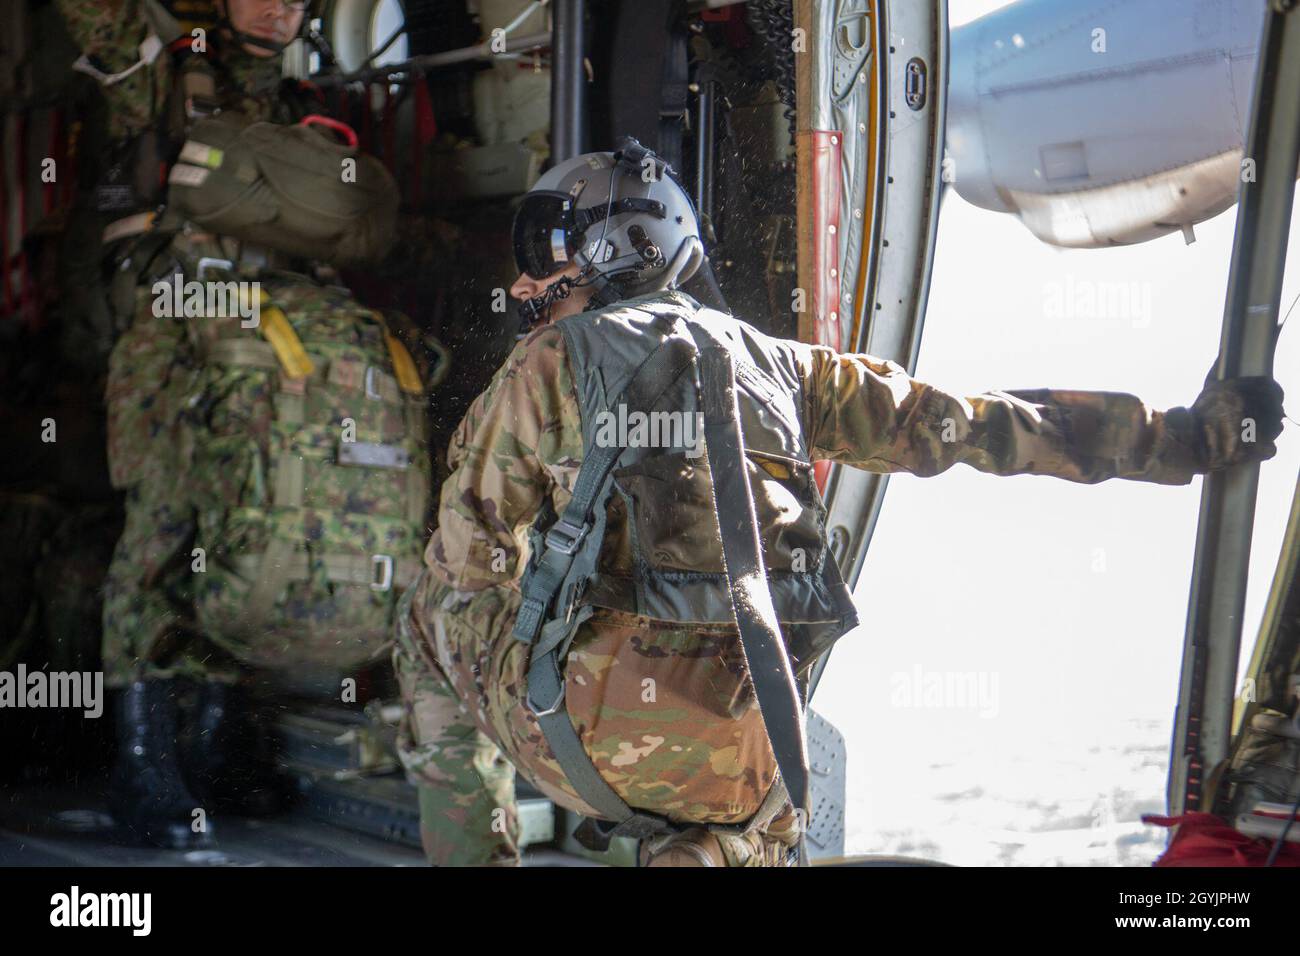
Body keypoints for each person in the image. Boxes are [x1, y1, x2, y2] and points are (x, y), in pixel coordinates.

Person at [393, 138, 1286, 867]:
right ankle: (712, 851)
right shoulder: (788, 368)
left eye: (544, 262)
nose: (520, 288)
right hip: (752, 762)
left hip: (585, 740)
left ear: (608, 253)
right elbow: (981, 424)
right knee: (739, 765)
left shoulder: (548, 365)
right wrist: (1185, 435)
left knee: (426, 615)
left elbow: (471, 563)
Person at [58, 0, 432, 849]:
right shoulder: (152, 59)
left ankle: (219, 747)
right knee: (161, 521)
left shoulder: (307, 97)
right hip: (173, 317)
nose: (279, 8)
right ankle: (145, 766)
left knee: (254, 518)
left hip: (274, 337)